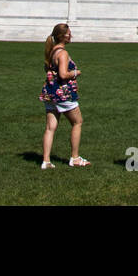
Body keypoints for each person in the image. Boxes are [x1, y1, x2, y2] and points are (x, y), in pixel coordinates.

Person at [39, 23, 89, 169]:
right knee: (77, 122)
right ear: (64, 36)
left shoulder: (51, 51)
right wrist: (75, 73)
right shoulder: (62, 53)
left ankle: (46, 161)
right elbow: (62, 74)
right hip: (63, 94)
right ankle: (75, 158)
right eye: (69, 33)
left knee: (50, 127)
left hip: (50, 93)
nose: (71, 36)